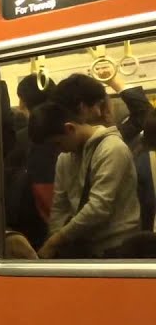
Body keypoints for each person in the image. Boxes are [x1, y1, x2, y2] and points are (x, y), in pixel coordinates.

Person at [29, 100, 140, 258]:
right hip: (84, 246)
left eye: (57, 143)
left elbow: (99, 207)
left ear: (70, 128)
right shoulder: (65, 158)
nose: (59, 150)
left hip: (117, 245)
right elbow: (60, 205)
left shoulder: (113, 149)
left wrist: (56, 240)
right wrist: (54, 240)